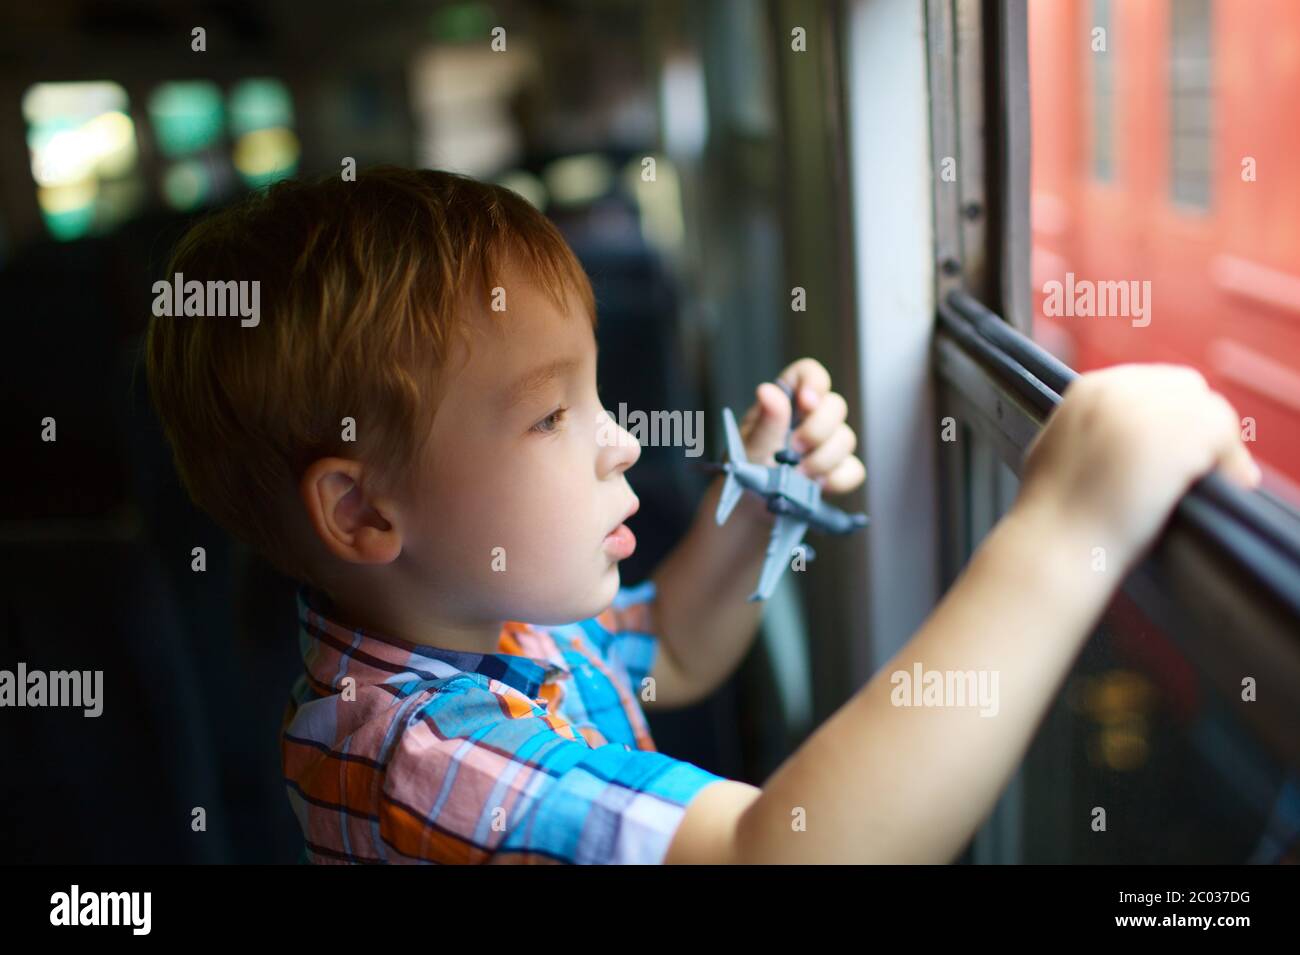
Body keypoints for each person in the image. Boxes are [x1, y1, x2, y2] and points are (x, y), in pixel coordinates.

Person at [144, 166, 1259, 863]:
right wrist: (1066, 525)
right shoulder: (421, 756)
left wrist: (754, 499)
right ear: (363, 511)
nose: (621, 438)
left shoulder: (480, 629)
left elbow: (668, 645)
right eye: (549, 418)